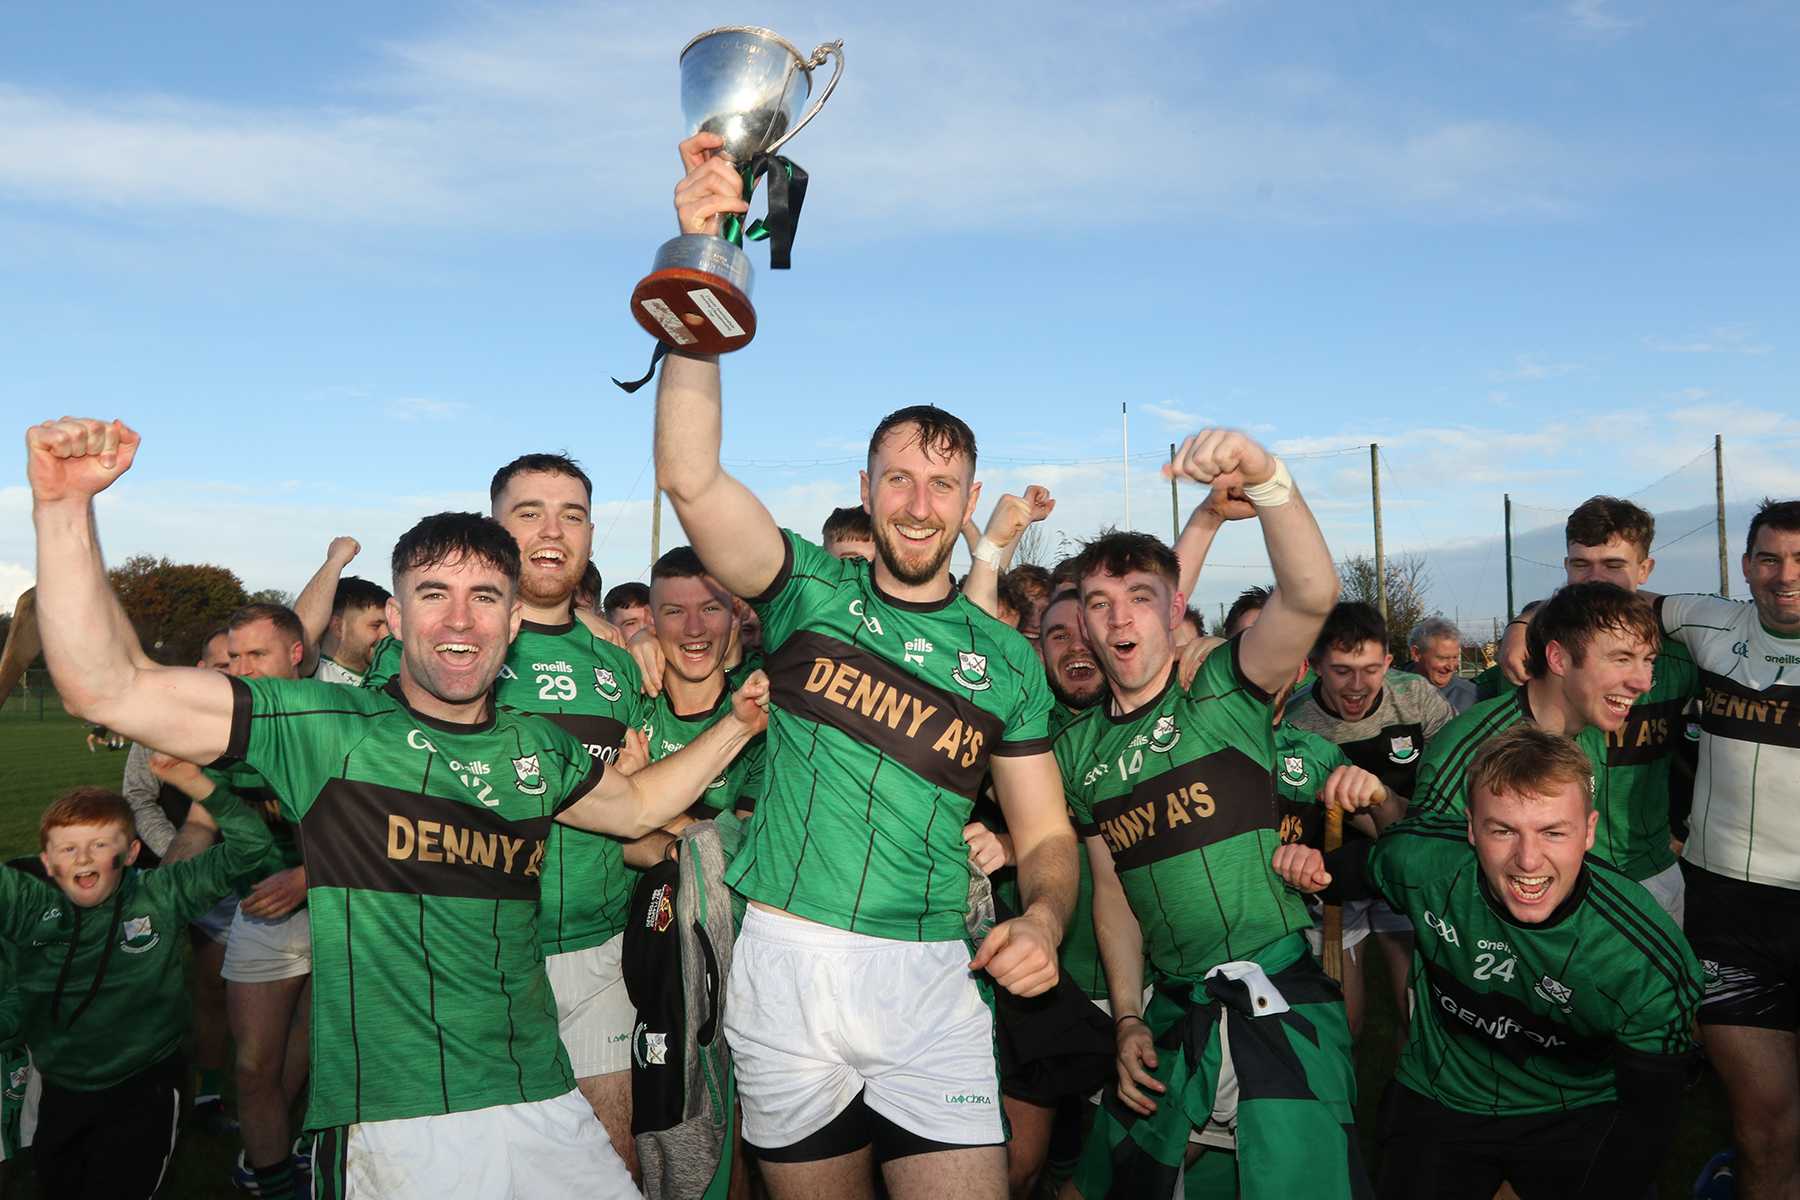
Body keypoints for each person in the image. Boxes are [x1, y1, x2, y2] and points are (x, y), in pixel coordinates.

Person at [28, 415, 770, 1200]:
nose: (460, 620)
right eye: (434, 596)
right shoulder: (327, 729)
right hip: (400, 1119)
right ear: (399, 615)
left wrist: (736, 724)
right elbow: (106, 686)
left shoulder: (537, 747)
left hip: (542, 1094)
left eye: (484, 597)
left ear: (513, 620)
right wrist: (64, 506)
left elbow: (636, 806)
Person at [658, 141, 1076, 1198]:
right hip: (785, 966)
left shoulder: (1009, 661)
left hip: (930, 974)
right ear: (866, 485)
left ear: (969, 500)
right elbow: (691, 478)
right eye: (898, 480)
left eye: (943, 485)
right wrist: (703, 259)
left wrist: (1042, 916)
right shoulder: (805, 590)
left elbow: (1046, 837)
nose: (919, 506)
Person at [1055, 431, 1366, 1200]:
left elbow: (1310, 595)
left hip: (1279, 992)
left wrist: (1266, 477)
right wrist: (1126, 1017)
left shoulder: (1222, 688)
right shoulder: (1077, 755)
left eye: (1139, 598)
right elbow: (1113, 898)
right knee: (1111, 1187)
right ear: (1085, 623)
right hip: (1173, 1010)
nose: (1119, 617)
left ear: (1174, 608)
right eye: (1099, 603)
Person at [364, 451, 664, 1183]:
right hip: (462, 959)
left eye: (571, 515)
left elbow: (639, 799)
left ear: (589, 533)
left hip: (596, 953)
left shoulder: (620, 664)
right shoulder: (432, 651)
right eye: (529, 513)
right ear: (495, 526)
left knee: (607, 1167)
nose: (552, 530)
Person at [1272, 725, 1703, 1200]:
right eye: (1503, 831)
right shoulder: (1425, 860)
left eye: (1553, 832)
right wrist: (1313, 870)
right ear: (1471, 829)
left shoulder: (1643, 956)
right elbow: (1360, 867)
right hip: (1443, 1096)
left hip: (1578, 1112)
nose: (1528, 860)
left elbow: (1649, 1114)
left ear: (1588, 831)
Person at [7, 782, 273, 1199]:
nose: (82, 858)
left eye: (99, 845)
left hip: (144, 1088)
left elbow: (251, 844)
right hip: (62, 1089)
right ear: (47, 862)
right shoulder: (29, 905)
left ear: (131, 853)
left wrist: (203, 787)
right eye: (68, 848)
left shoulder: (162, 894)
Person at [1651, 498, 1800, 1200]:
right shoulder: (1705, 619)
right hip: (1729, 915)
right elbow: (1620, 604)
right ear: (1746, 566)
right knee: (1763, 1133)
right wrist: (1532, 629)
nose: (1785, 575)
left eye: (1799, 560)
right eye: (1769, 559)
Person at [1409, 583, 1672, 918]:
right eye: (1621, 659)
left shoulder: (1590, 727)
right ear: (1558, 658)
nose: (1643, 682)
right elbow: (1417, 862)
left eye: (1648, 661)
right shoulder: (1475, 744)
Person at [1283, 602, 1459, 1052]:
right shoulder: (1297, 721)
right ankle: (1344, 1097)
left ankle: (1408, 1092)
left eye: (1370, 669)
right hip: (1333, 876)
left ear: (1388, 661)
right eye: (1342, 671)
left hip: (1405, 863)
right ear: (1316, 665)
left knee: (1417, 1014)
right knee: (1346, 1024)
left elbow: (1454, 782)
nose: (1357, 686)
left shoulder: (1416, 696)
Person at [118, 625, 239, 1135]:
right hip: (169, 874)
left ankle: (211, 1098)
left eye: (238, 661)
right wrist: (179, 855)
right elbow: (137, 796)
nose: (231, 671)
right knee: (150, 989)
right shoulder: (161, 720)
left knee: (220, 991)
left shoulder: (261, 718)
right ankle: (133, 1093)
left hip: (237, 880)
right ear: (201, 669)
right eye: (221, 663)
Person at [1406, 616, 1482, 713]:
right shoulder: (1391, 692)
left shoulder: (1474, 699)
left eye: (1455, 657)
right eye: (1442, 658)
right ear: (1416, 654)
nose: (1451, 667)